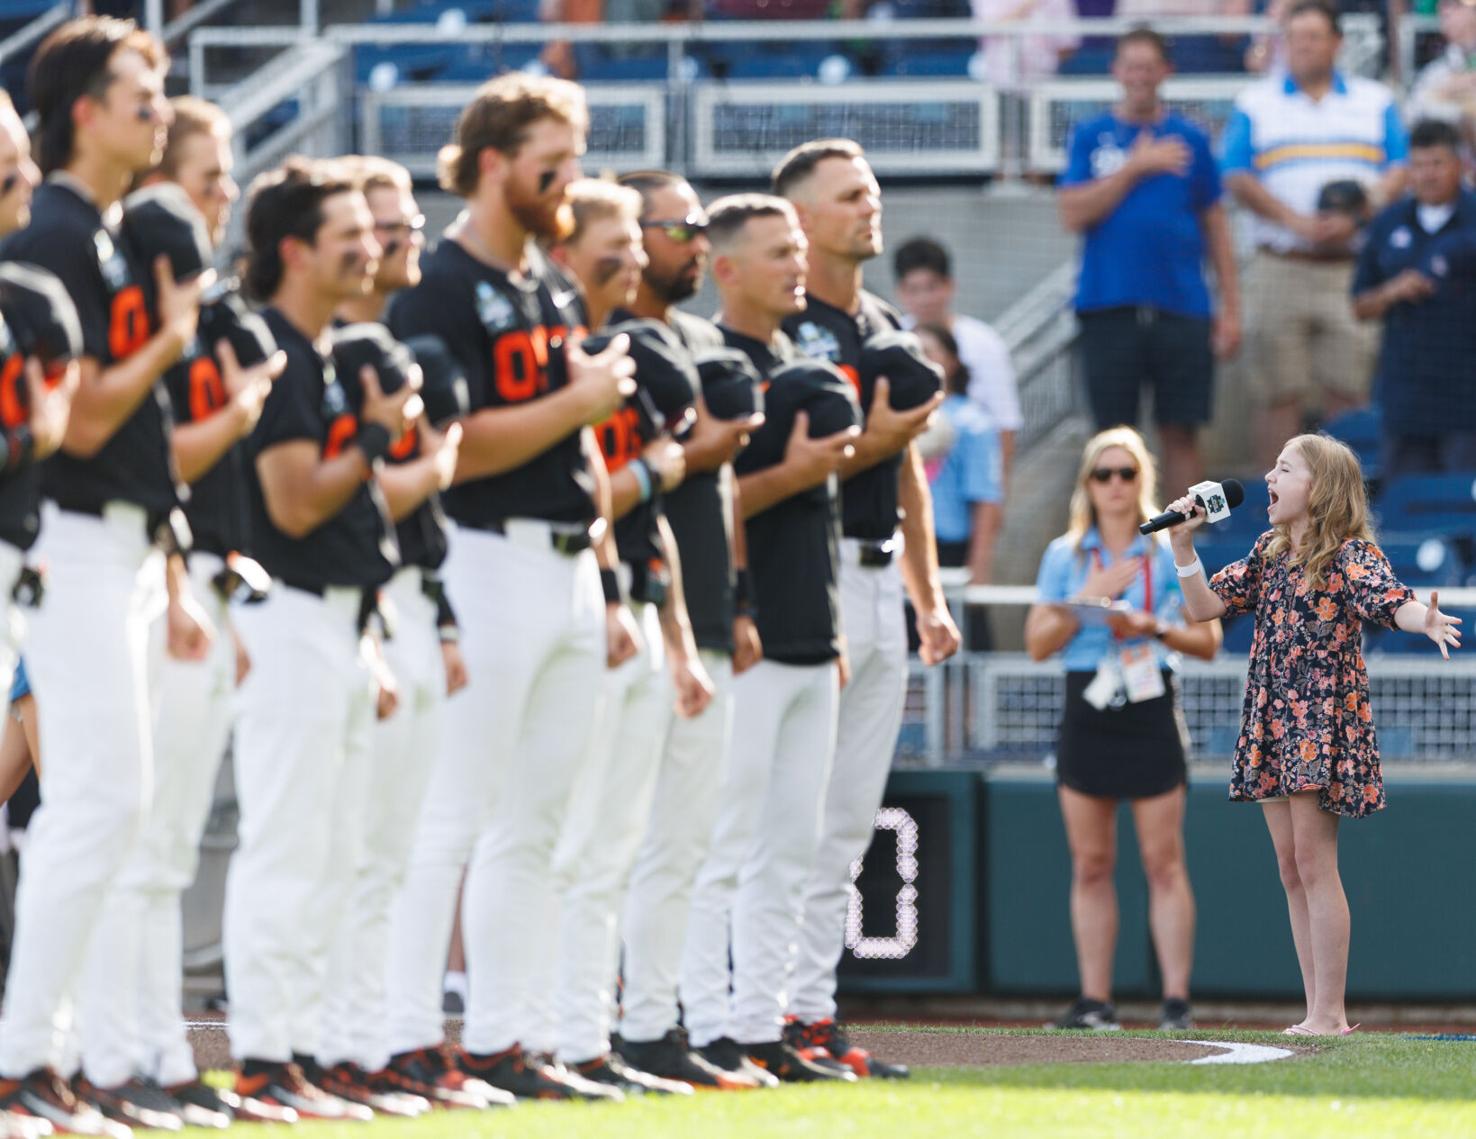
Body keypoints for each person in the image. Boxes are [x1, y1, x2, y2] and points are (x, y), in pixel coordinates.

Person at [384, 73, 638, 1103]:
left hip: (569, 561)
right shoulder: (439, 284)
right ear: (494, 161)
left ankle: (502, 1036)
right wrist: (576, 400)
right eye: (552, 157)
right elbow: (452, 449)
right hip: (483, 555)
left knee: (536, 821)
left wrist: (613, 584)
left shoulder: (542, 282)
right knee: (450, 814)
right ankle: (404, 1034)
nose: (567, 178)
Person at [0, 17, 217, 1135]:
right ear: (84, 107)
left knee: (119, 811)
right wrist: (167, 344)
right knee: (97, 804)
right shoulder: (54, 231)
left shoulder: (120, 229)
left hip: (127, 544)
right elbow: (76, 419)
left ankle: (68, 1054)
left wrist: (170, 572)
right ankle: (27, 1058)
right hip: (68, 539)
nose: (160, 105)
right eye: (142, 88)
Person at [78, 93, 283, 1131]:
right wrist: (243, 408)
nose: (221, 188)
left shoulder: (213, 308)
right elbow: (161, 460)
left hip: (194, 574)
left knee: (159, 842)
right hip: (140, 570)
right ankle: (106, 1054)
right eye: (207, 170)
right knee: (127, 833)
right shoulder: (140, 292)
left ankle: (153, 1049)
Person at [222, 157, 420, 1122]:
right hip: (286, 611)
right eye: (350, 231)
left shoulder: (329, 350)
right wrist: (378, 438)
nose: (371, 245)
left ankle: (305, 1053)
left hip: (338, 621)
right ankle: (263, 1057)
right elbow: (295, 503)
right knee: (291, 849)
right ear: (295, 249)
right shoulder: (276, 347)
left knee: (336, 854)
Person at [1166, 434, 1460, 1035]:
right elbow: (1202, 609)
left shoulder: (1349, 554)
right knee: (1289, 865)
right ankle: (1314, 1011)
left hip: (1319, 720)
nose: (1269, 478)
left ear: (1319, 487)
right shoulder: (1269, 553)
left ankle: (1331, 1014)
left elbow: (1389, 601)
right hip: (1274, 716)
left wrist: (1422, 618)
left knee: (1314, 861)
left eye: (1283, 468)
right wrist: (1181, 543)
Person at [773, 139, 959, 1080]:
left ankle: (809, 1014)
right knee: (783, 816)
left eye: (873, 191)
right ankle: (748, 1012)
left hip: (882, 580)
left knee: (847, 820)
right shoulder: (781, 322)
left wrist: (930, 595)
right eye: (851, 196)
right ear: (800, 217)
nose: (870, 207)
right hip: (806, 574)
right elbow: (774, 471)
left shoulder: (886, 318)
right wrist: (881, 438)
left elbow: (908, 474)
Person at [680, 193, 860, 1085]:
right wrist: (741, 602)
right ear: (727, 268)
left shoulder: (800, 358)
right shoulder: (709, 360)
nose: (799, 264)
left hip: (808, 631)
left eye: (799, 247)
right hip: (743, 634)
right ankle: (700, 1024)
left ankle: (760, 1023)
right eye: (779, 251)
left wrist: (829, 628)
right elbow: (710, 500)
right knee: (722, 841)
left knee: (791, 845)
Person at [314, 156, 479, 1114]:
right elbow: (354, 498)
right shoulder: (316, 351)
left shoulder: (388, 342)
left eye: (407, 217)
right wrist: (438, 458)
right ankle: (322, 1045)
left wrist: (444, 615)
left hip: (408, 598)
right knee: (342, 842)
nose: (401, 234)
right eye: (381, 222)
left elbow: (407, 516)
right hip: (328, 605)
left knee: (397, 843)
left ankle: (384, 1040)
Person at [541, 177, 713, 1095]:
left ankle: (585, 1036)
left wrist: (680, 638)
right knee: (569, 842)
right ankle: (550, 1034)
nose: (636, 259)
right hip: (585, 599)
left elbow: (652, 520)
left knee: (612, 844)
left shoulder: (629, 354)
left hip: (639, 604)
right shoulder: (566, 351)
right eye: (622, 239)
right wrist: (651, 474)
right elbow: (599, 494)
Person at [611, 170, 772, 1092]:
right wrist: (700, 442)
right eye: (678, 225)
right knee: (604, 837)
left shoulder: (704, 338)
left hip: (704, 605)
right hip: (628, 603)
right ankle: (581, 1020)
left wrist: (741, 597)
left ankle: (652, 1024)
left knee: (684, 840)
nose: (694, 241)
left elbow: (721, 493)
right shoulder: (609, 342)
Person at [1025, 427, 1219, 1032]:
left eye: (1126, 474)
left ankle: (1177, 1004)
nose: (1114, 486)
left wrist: (1151, 628)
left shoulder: (1167, 552)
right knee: (1090, 863)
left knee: (1164, 861)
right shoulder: (1066, 554)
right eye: (1103, 475)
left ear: (1143, 481)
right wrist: (1089, 597)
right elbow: (1036, 644)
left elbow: (1207, 641)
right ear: (1087, 484)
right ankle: (1095, 1001)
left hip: (1150, 701)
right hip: (1087, 702)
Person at [1222, 0, 1408, 469]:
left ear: (1337, 43)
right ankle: (1276, 528)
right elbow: (1236, 175)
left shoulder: (1375, 100)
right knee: (1276, 394)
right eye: (1295, 37)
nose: (1303, 47)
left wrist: (1360, 214)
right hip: (1281, 263)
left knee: (1349, 393)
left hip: (1353, 268)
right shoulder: (1255, 102)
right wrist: (1295, 222)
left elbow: (1401, 170)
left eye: (1313, 37)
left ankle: (1343, 521)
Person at [1057, 26, 1241, 499]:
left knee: (1184, 430)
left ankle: (1193, 548)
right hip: (1107, 305)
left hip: (1182, 305)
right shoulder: (1092, 135)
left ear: (1166, 72)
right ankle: (1120, 546)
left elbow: (1217, 226)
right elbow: (1072, 213)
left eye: (1148, 66)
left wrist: (1231, 309)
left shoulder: (1190, 139)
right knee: (1112, 437)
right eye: (1130, 66)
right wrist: (1136, 167)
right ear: (1116, 71)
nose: (1139, 76)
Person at [1351, 120, 1476, 477]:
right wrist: (1393, 290)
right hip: (1406, 396)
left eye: (1437, 164)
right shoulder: (1388, 223)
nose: (1428, 175)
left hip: (1467, 398)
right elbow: (1359, 305)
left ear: (1460, 166)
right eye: (1418, 165)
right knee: (1406, 507)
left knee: (1463, 511)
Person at [892, 235, 1022, 484]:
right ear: (900, 292)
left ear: (949, 285)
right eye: (913, 289)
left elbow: (1004, 425)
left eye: (931, 287)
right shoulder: (890, 339)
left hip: (967, 479)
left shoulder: (985, 343)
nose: (924, 299)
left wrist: (997, 497)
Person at [915, 322, 1003, 586]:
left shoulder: (973, 422)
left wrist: (978, 565)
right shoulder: (890, 417)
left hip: (950, 551)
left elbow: (986, 499)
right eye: (912, 352)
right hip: (903, 548)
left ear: (952, 361)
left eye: (929, 352)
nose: (921, 360)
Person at [1406, 0, 1476, 151]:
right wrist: (1443, 93)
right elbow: (1411, 118)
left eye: (1455, 5)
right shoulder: (1436, 72)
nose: (1444, 11)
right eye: (1443, 5)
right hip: (1454, 160)